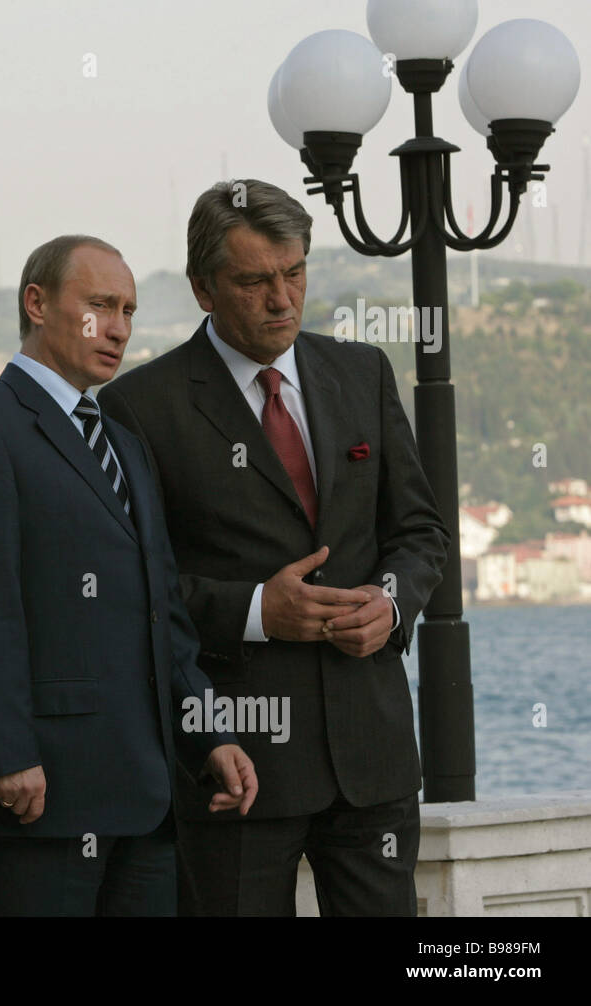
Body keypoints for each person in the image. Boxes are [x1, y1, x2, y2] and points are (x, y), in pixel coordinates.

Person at [99, 179, 449, 916]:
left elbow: (419, 533)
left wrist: (390, 605)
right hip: (234, 762)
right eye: (254, 281)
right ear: (203, 288)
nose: (281, 299)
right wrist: (260, 610)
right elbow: (134, 588)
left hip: (374, 754)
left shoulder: (362, 373)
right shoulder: (138, 407)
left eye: (294, 274)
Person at [0, 234, 257, 916]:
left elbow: (165, 613)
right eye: (102, 305)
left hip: (147, 800)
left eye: (129, 309)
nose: (121, 328)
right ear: (36, 303)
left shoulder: (125, 444)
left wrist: (210, 730)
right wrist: (7, 755)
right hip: (42, 796)